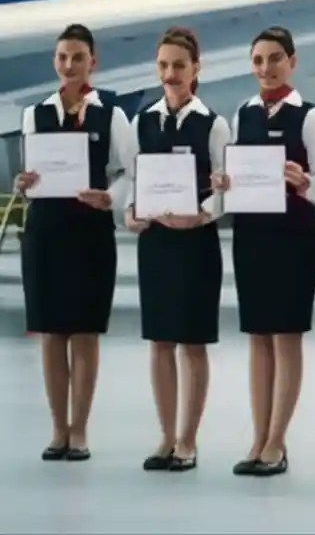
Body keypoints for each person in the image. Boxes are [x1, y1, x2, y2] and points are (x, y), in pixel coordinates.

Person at [212, 27, 315, 477]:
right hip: (252, 235)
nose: (266, 68)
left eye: (275, 58)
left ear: (293, 62)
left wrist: (305, 181)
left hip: (294, 237)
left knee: (286, 336)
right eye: (258, 60)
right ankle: (258, 437)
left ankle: (278, 441)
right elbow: (240, 170)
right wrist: (226, 182)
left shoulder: (312, 118)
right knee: (258, 337)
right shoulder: (243, 115)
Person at [16, 24, 135, 463]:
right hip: (45, 231)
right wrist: (23, 183)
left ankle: (80, 429)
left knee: (84, 333)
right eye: (62, 57)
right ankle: (57, 429)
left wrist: (112, 198)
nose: (69, 65)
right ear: (55, 61)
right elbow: (31, 179)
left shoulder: (112, 114)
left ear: (93, 61)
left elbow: (126, 171)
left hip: (90, 231)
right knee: (51, 334)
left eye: (78, 57)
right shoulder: (34, 114)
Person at [123, 26, 232, 473]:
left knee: (191, 344)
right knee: (160, 343)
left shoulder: (213, 123)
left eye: (179, 66)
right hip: (156, 244)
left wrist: (202, 214)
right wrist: (130, 212)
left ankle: (188, 439)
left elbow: (226, 187)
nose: (170, 74)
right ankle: (165, 436)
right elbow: (132, 179)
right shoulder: (142, 121)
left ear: (196, 69)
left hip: (195, 243)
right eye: (164, 65)